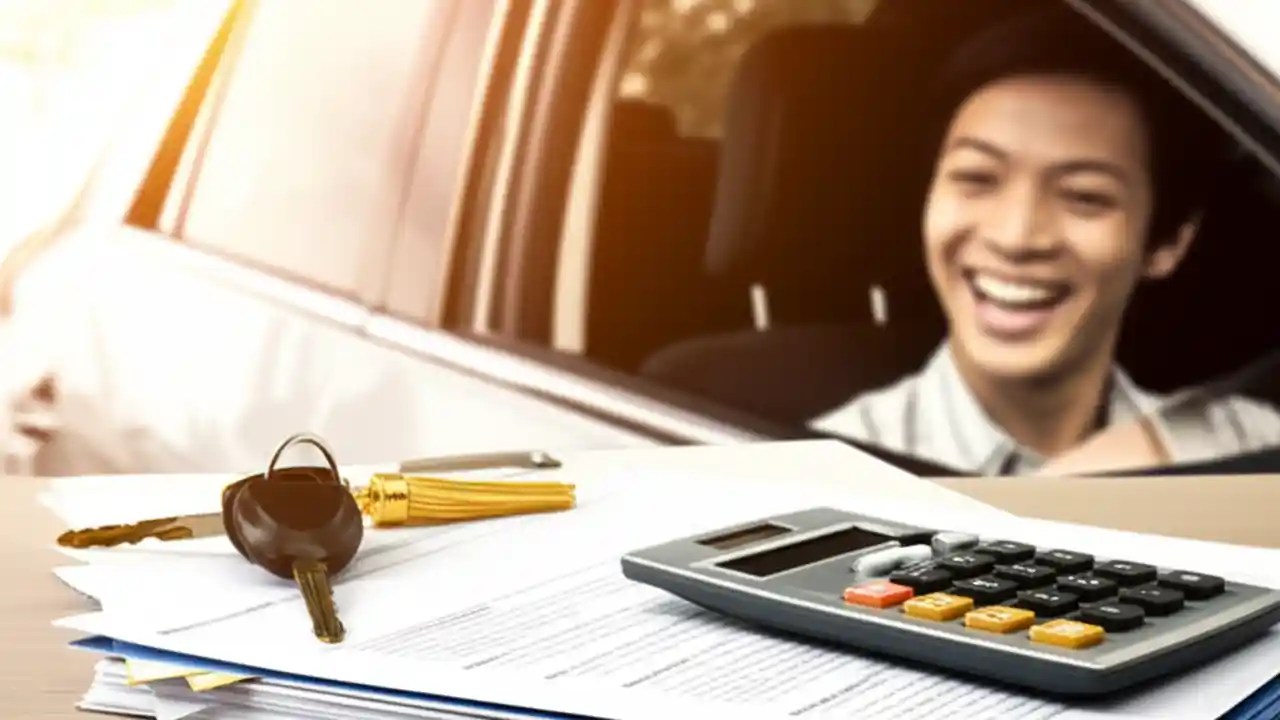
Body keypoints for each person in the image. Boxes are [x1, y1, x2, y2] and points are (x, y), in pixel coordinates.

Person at [810, 6, 1280, 475]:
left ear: (1169, 243)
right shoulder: (824, 463)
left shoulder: (1242, 447)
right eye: (977, 177)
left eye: (1084, 196)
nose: (1016, 237)